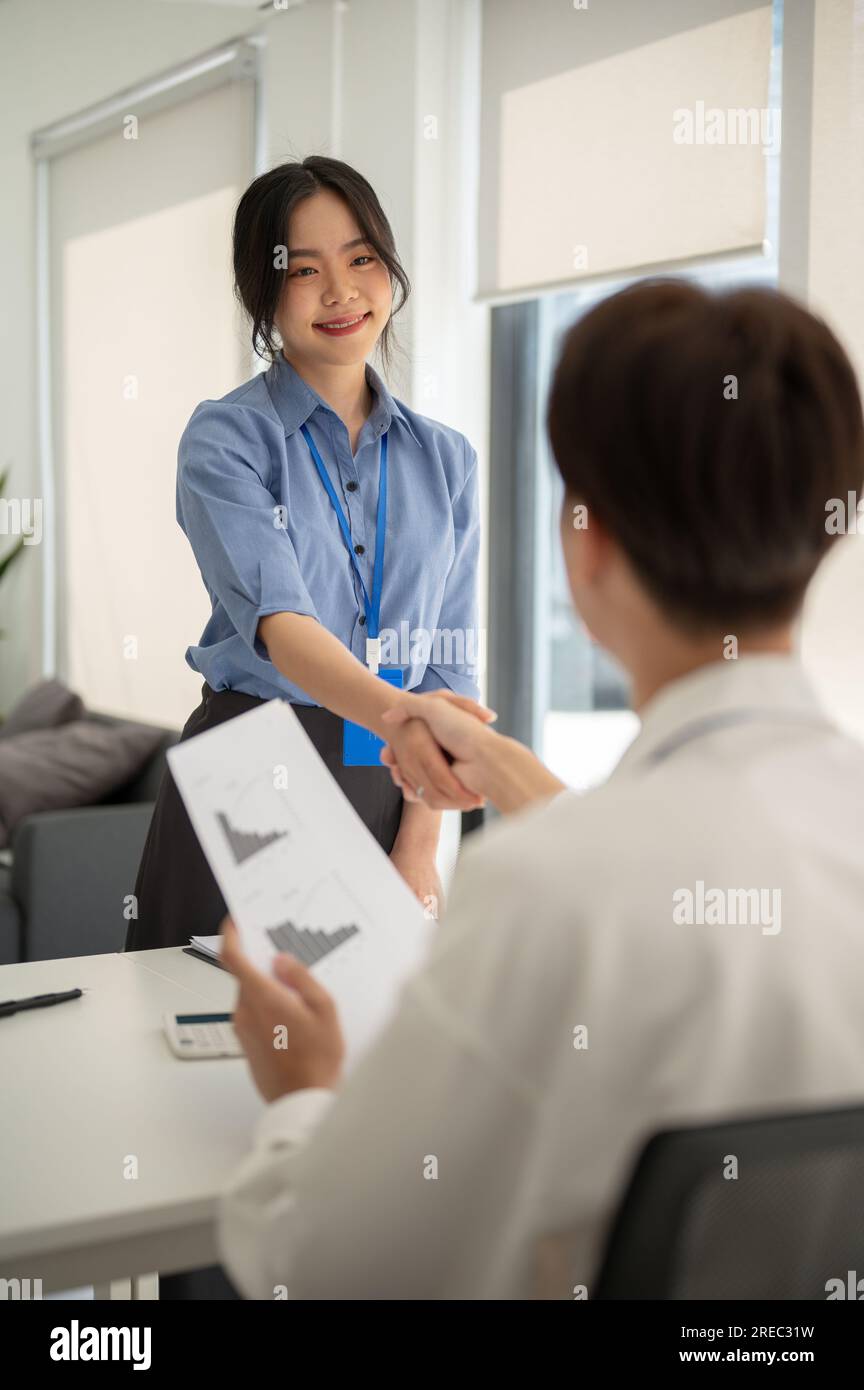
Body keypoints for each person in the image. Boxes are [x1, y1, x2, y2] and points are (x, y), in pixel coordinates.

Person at [217, 280, 864, 1300]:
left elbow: (327, 1269)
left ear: (587, 541)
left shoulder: (545, 894)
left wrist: (301, 1096)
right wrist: (518, 777)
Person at [126, 155, 489, 955]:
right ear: (263, 291)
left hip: (393, 780)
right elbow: (282, 625)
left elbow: (450, 668)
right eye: (304, 269)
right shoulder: (227, 438)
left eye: (362, 259)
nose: (341, 291)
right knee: (212, 1049)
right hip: (253, 767)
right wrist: (409, 722)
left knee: (368, 1057)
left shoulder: (448, 461)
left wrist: (420, 847)